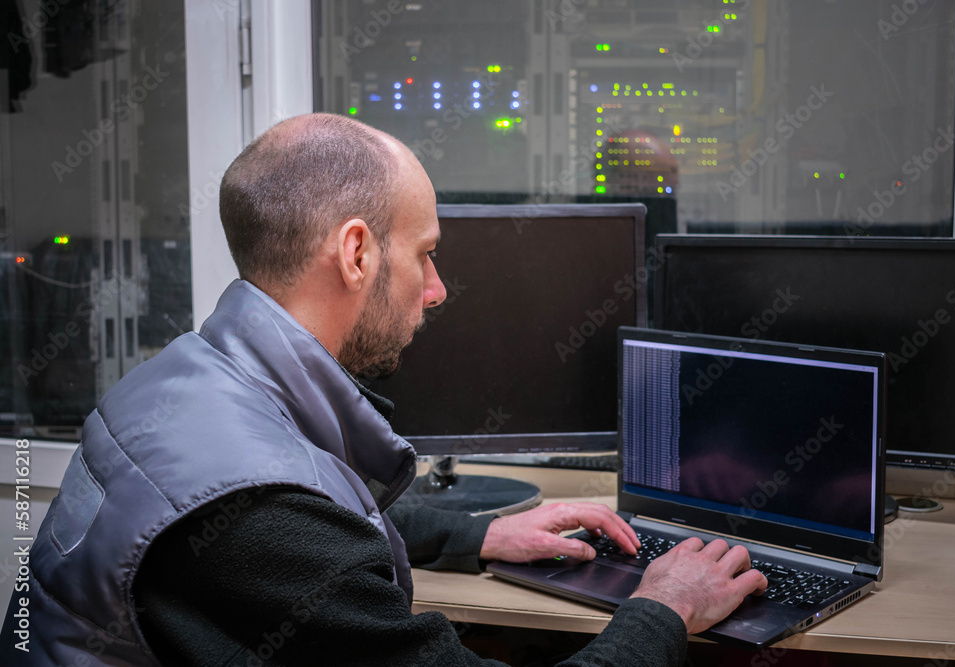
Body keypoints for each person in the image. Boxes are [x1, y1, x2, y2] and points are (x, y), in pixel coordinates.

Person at [1, 113, 765, 666]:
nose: (436, 290)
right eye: (426, 254)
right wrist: (665, 607)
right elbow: (291, 524)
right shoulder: (261, 521)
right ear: (357, 252)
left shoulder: (175, 380)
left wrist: (478, 536)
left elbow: (307, 495)